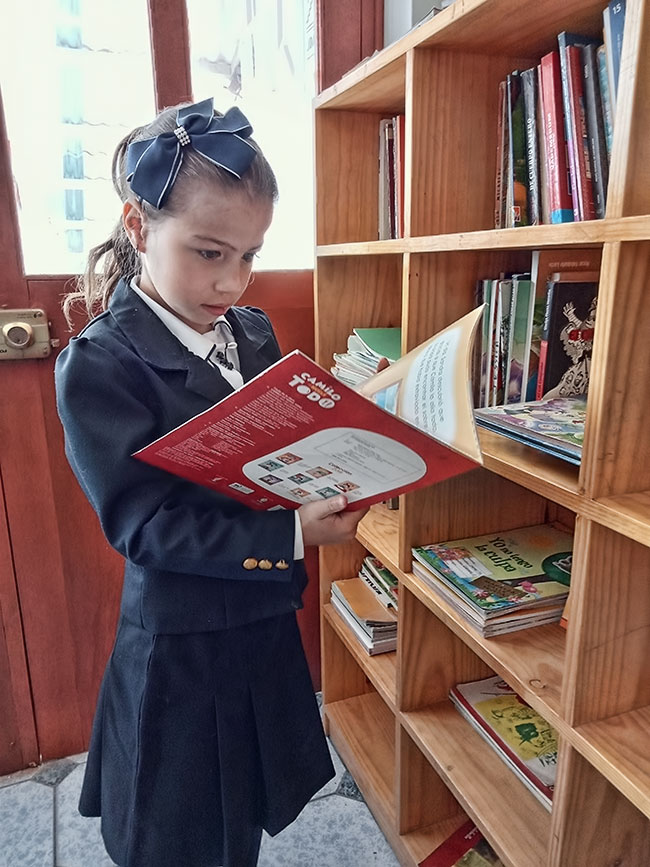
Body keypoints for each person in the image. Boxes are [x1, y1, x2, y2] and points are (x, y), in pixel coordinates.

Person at [54, 98, 368, 867]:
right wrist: (292, 533)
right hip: (182, 641)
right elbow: (145, 525)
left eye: (250, 254)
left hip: (258, 621)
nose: (232, 280)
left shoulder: (252, 331)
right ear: (138, 228)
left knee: (242, 814)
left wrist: (356, 419)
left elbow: (277, 440)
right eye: (207, 252)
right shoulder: (98, 364)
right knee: (179, 826)